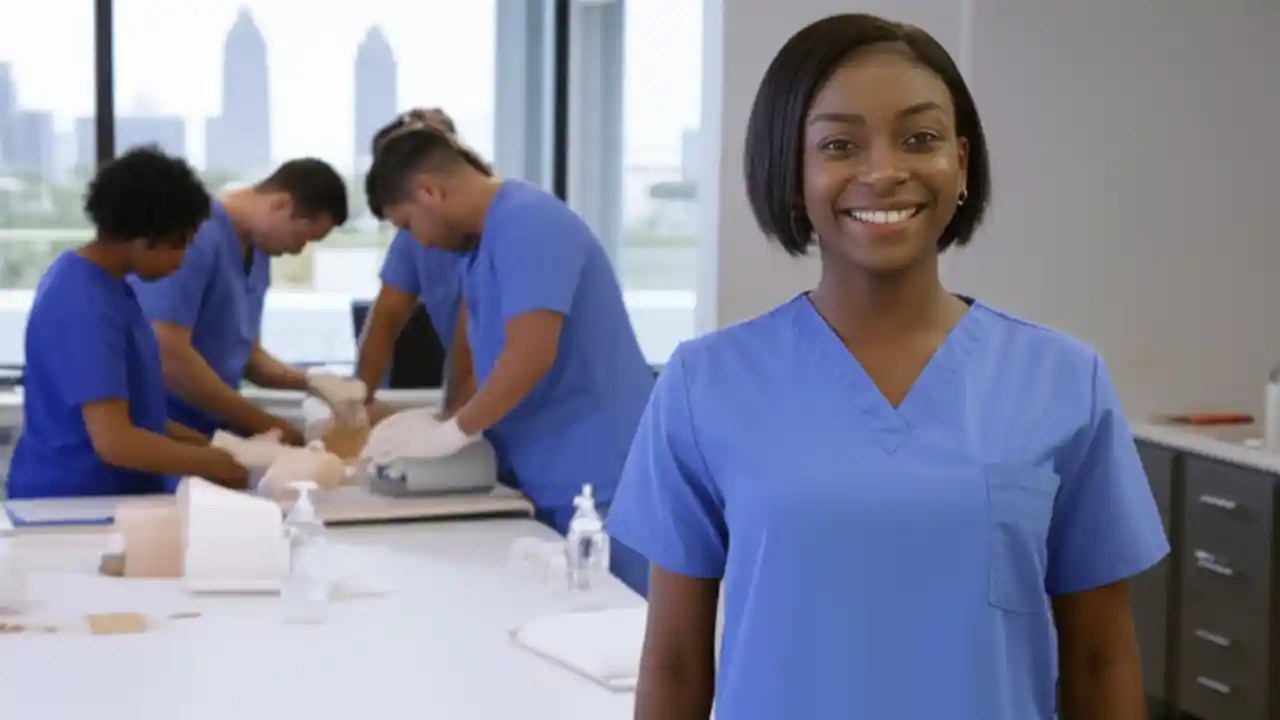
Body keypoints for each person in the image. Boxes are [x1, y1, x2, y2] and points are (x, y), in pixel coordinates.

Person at [605, 13, 1169, 719]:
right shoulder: (704, 385)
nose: (883, 171)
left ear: (961, 163)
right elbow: (677, 663)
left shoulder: (1061, 381)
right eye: (839, 144)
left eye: (920, 138)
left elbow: (1100, 658)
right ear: (793, 170)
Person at [363, 123, 656, 596]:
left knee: (624, 629)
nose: (418, 243)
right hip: (546, 469)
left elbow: (530, 354)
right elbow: (482, 355)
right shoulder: (479, 249)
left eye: (407, 225)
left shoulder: (529, 222)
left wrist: (452, 433)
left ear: (430, 191)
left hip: (602, 473)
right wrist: (445, 418)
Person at [7, 147, 249, 499]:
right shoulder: (84, 300)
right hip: (72, 500)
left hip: (112, 493)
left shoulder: (106, 285)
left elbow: (135, 415)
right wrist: (211, 463)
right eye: (179, 244)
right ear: (142, 233)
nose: (182, 261)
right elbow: (115, 441)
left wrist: (206, 445)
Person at [129, 158, 349, 445]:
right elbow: (167, 352)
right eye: (302, 237)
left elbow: (246, 356)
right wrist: (261, 422)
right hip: (164, 426)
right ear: (281, 204)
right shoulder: (194, 234)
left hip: (211, 427)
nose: (297, 251)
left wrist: (314, 383)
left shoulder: (258, 252)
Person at [356, 108, 492, 420]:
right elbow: (386, 318)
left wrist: (451, 424)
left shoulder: (496, 228)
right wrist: (355, 403)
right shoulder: (415, 235)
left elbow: (470, 341)